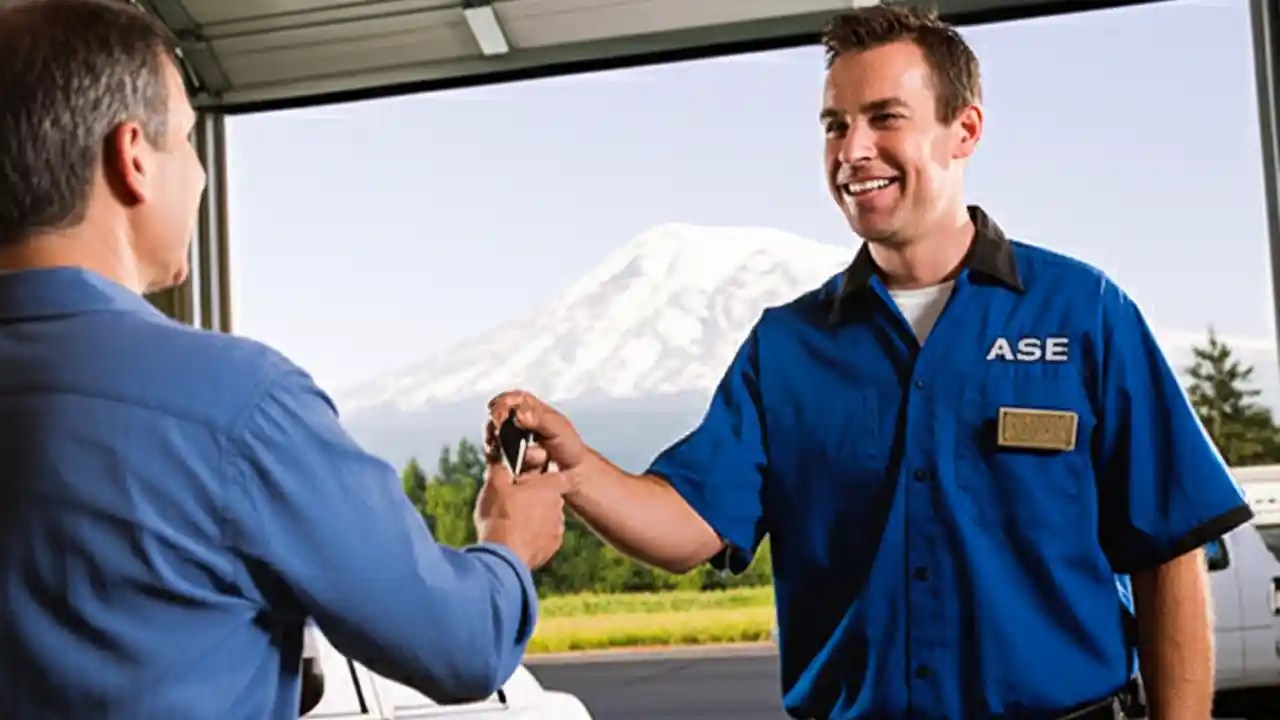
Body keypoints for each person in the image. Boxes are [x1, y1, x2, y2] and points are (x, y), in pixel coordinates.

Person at [487, 5, 1253, 719]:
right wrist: (577, 467)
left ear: (965, 129)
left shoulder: (1084, 312)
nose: (853, 151)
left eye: (884, 118)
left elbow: (1170, 551)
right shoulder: (785, 347)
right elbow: (691, 524)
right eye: (834, 125)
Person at [0, 2, 569, 718]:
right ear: (134, 156)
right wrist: (508, 546)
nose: (201, 177)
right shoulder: (235, 406)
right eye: (189, 142)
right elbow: (461, 646)